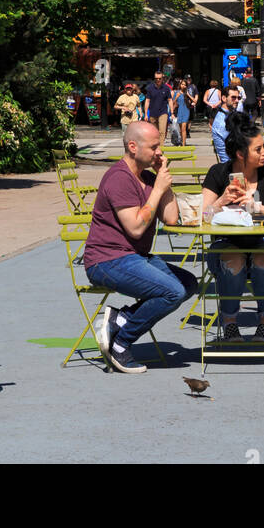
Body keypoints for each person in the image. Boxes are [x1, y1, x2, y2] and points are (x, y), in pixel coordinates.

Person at [84, 120, 197, 374]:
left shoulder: (147, 177)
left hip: (135, 257)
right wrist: (157, 190)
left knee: (188, 283)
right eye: (154, 146)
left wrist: (161, 181)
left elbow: (170, 218)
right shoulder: (118, 178)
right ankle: (121, 343)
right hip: (107, 260)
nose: (160, 151)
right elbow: (135, 227)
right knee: (173, 292)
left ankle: (120, 319)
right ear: (133, 146)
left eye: (161, 146)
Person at [200, 114, 264, 343]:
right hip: (226, 244)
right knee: (234, 261)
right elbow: (200, 216)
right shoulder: (218, 173)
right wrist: (221, 200)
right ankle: (230, 322)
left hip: (263, 242)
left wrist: (259, 208)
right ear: (241, 154)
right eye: (259, 149)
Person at [211, 84, 242, 163]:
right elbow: (238, 143)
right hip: (231, 166)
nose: (237, 100)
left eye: (238, 98)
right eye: (233, 97)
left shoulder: (232, 115)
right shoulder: (221, 121)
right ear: (224, 98)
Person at [144, 70, 172, 145]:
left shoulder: (166, 88)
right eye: (156, 78)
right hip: (153, 113)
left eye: (160, 78)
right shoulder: (150, 88)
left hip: (163, 112)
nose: (158, 80)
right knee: (154, 133)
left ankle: (161, 150)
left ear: (162, 78)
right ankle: (155, 148)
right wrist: (146, 114)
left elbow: (170, 100)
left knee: (162, 131)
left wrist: (172, 112)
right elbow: (147, 101)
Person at [169, 79, 192, 147]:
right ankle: (181, 141)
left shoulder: (187, 92)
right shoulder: (176, 92)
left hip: (186, 111)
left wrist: (188, 95)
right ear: (180, 85)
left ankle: (184, 144)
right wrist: (176, 97)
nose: (183, 86)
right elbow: (172, 103)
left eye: (185, 85)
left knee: (184, 128)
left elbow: (194, 101)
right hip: (179, 111)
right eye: (182, 84)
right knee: (181, 129)